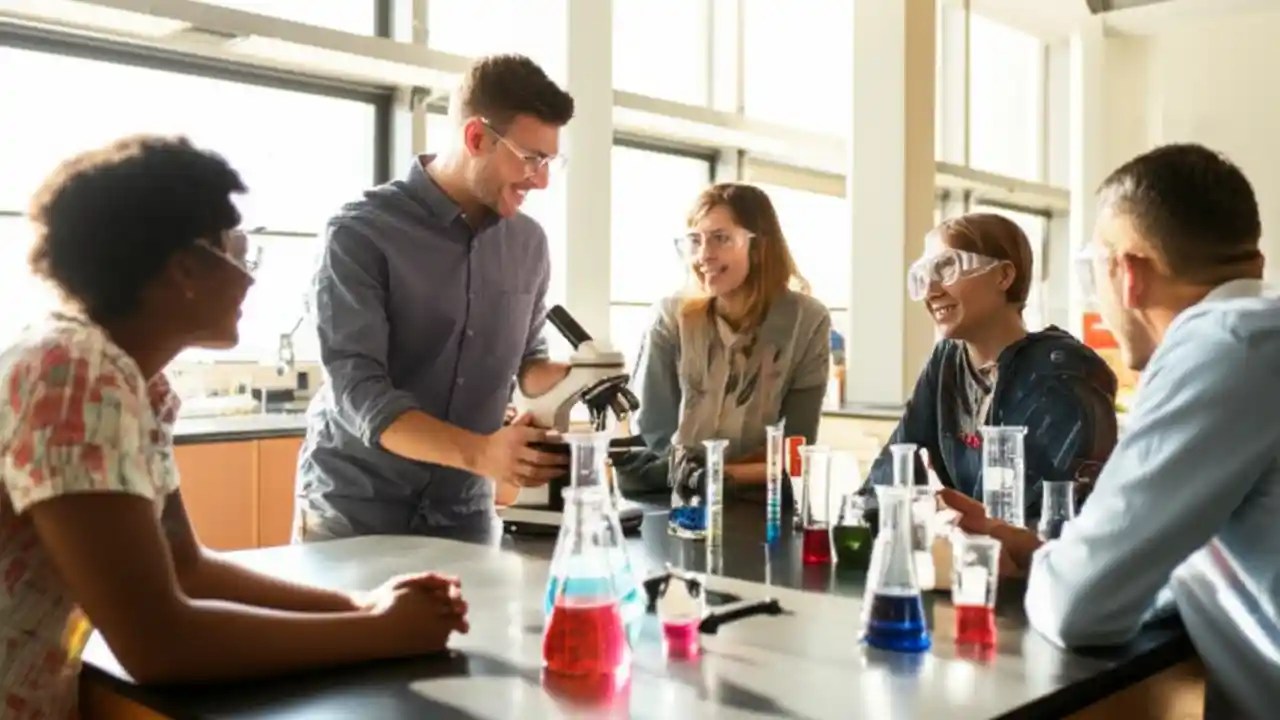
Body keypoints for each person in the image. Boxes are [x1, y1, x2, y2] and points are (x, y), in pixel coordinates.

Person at [0, 136, 469, 718]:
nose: (249, 279)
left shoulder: (126, 382)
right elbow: (158, 643)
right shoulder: (75, 375)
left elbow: (186, 568)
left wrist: (360, 606)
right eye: (239, 252)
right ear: (184, 268)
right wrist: (384, 634)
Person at [941, 144, 1280, 657]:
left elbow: (1078, 609)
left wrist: (1062, 570)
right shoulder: (1258, 335)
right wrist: (1039, 552)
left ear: (1128, 274)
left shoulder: (1223, 348)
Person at [297, 54, 576, 542]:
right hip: (357, 511)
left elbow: (527, 360)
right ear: (475, 138)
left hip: (464, 514)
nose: (542, 179)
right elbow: (360, 393)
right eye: (531, 158)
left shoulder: (529, 245)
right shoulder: (360, 234)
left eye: (550, 161)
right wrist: (484, 454)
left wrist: (581, 378)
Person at [864, 214, 1118, 520]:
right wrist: (855, 519)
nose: (931, 291)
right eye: (923, 276)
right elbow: (894, 468)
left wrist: (943, 510)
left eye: (947, 268)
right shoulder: (946, 361)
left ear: (1003, 276)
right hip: (973, 556)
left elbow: (1043, 518)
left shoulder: (1062, 375)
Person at [619, 183, 831, 498]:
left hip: (761, 505)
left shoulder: (808, 322)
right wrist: (741, 471)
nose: (704, 255)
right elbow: (656, 442)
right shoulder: (669, 319)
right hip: (675, 502)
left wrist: (713, 474)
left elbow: (795, 454)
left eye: (721, 239)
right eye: (695, 240)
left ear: (759, 248)